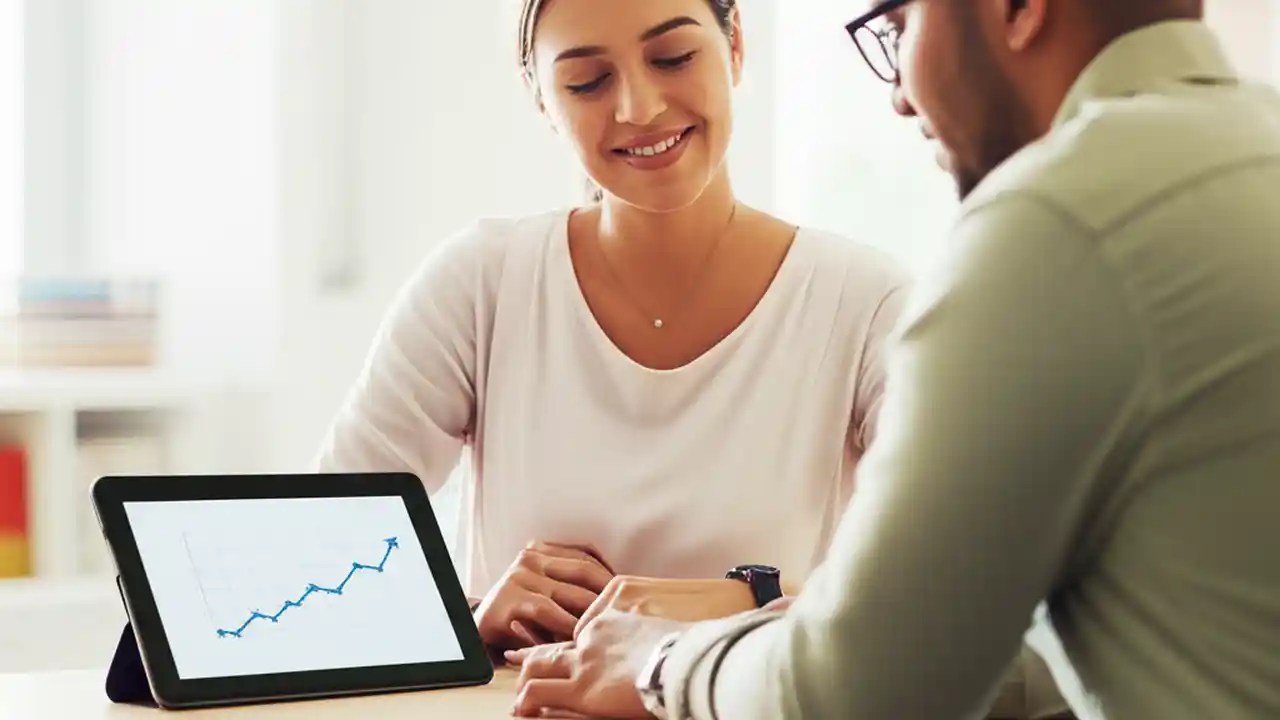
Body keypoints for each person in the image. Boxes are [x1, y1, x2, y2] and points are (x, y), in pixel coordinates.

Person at [512, 1, 1280, 718]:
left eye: (902, 20)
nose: (902, 99)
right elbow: (1072, 649)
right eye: (585, 80)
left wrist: (663, 663)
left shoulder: (1056, 224)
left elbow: (856, 694)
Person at [315, 0, 909, 659]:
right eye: (587, 82)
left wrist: (756, 598)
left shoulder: (866, 302)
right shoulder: (482, 283)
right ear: (542, 99)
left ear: (735, 44)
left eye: (673, 58)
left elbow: (943, 588)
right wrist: (466, 613)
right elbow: (319, 550)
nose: (639, 108)